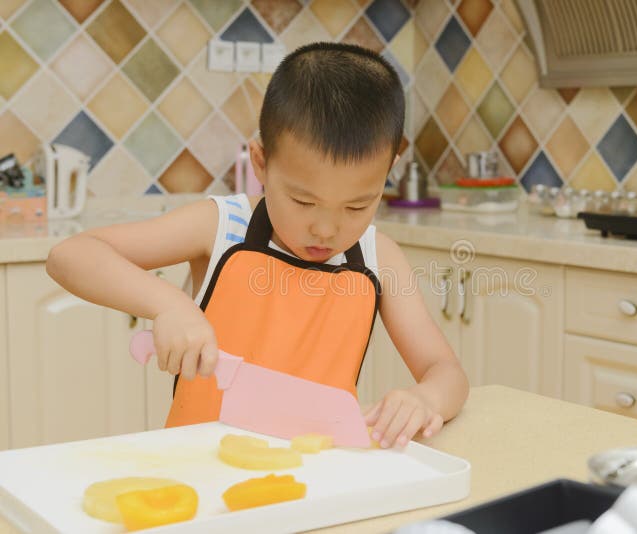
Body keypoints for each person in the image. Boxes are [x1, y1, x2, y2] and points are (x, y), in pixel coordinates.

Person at [46, 42, 469, 449]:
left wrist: (426, 399)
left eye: (358, 205)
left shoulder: (381, 258)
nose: (326, 229)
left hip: (320, 479)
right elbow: (71, 255)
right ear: (262, 162)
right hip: (199, 477)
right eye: (304, 201)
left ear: (388, 173)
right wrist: (169, 305)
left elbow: (445, 371)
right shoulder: (220, 226)